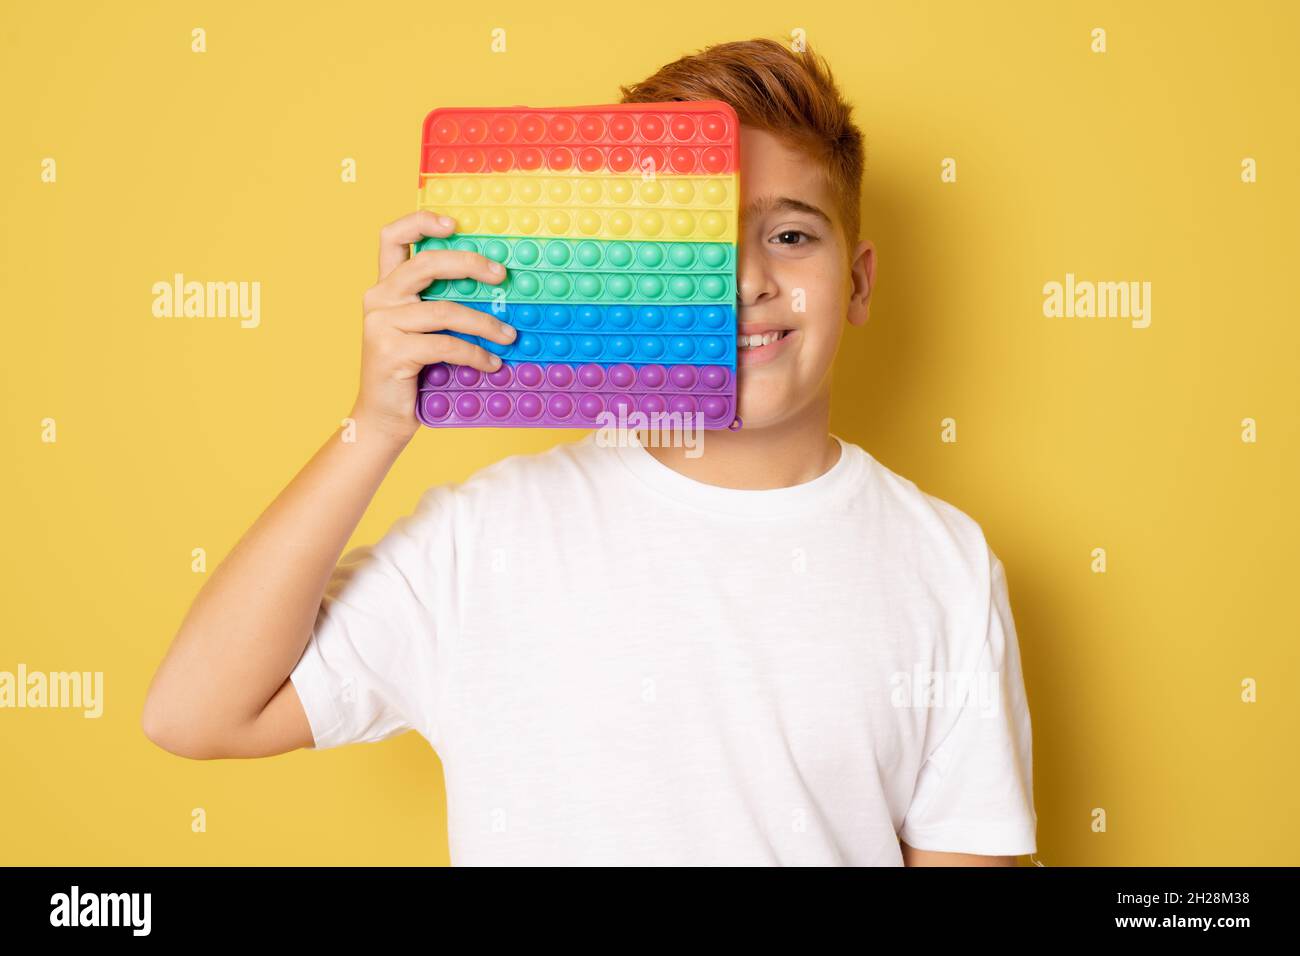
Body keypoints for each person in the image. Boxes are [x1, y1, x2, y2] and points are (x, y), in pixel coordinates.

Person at [142, 37, 1037, 866]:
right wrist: (373, 425)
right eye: (698, 243)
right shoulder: (487, 536)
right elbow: (197, 712)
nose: (748, 280)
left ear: (858, 279)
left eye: (791, 234)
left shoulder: (943, 563)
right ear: (633, 267)